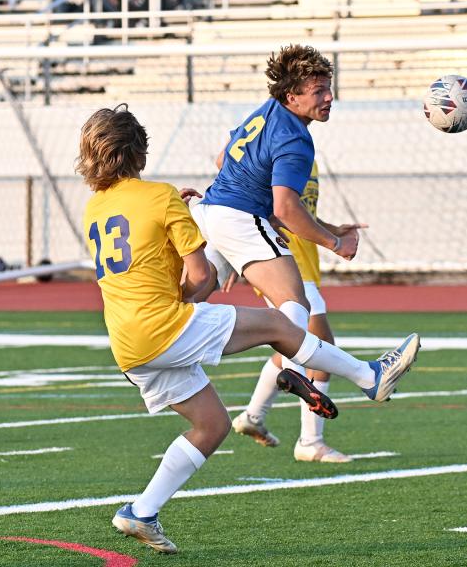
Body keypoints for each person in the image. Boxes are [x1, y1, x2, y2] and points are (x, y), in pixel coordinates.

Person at [77, 104, 420, 554]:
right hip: (166, 326)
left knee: (212, 425)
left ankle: (140, 511)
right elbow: (201, 279)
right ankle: (367, 376)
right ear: (139, 151)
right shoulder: (160, 196)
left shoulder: (94, 209)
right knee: (281, 323)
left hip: (126, 344)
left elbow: (142, 257)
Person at [191, 44, 375, 402]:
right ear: (293, 96)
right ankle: (294, 367)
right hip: (237, 217)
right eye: (318, 91)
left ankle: (164, 348)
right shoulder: (296, 137)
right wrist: (335, 245)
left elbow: (221, 159)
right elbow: (287, 209)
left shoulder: (267, 110)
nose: (329, 97)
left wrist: (240, 237)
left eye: (328, 88)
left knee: (192, 294)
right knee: (296, 303)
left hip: (211, 213)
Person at [228, 161, 365, 463]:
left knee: (291, 345)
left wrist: (333, 230)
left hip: (301, 265)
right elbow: (240, 192)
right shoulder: (273, 150)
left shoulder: (305, 156)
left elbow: (299, 214)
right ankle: (310, 441)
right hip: (283, 265)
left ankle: (253, 415)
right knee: (321, 347)